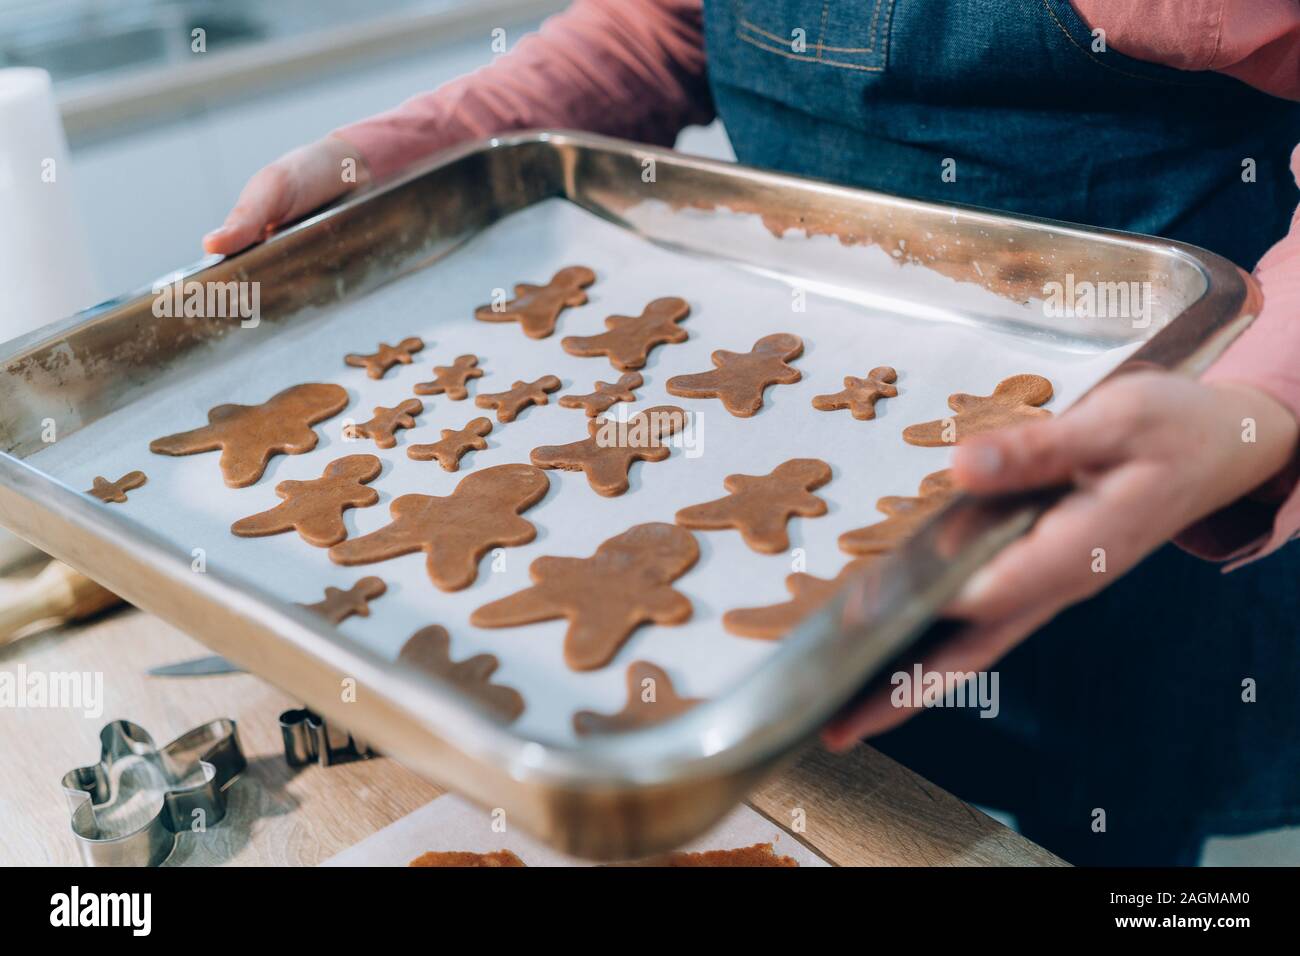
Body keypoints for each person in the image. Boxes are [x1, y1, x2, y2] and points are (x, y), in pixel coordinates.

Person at [205, 1, 1300, 865]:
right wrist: (401, 155)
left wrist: (1261, 404)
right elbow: (659, 24)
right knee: (844, 808)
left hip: (1143, 485)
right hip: (798, 474)